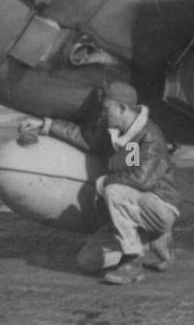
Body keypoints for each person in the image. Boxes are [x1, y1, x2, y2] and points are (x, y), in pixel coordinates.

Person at [18, 82, 180, 285]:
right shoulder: (119, 132)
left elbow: (141, 179)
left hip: (159, 205)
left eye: (106, 109)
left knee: (113, 191)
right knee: (88, 261)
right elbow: (86, 138)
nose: (102, 114)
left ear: (121, 108)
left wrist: (104, 183)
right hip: (134, 207)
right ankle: (150, 239)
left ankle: (133, 261)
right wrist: (45, 125)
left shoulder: (148, 135)